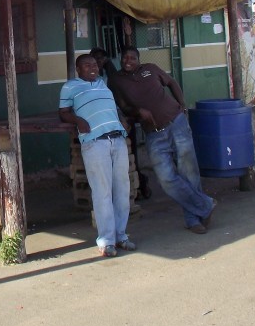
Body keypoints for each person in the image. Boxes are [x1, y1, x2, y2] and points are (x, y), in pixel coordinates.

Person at [109, 47, 216, 234]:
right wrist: (137, 112)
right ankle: (205, 205)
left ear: (138, 60)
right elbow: (123, 106)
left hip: (177, 123)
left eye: (132, 58)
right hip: (154, 133)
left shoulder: (151, 68)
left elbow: (172, 83)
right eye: (125, 57)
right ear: (120, 58)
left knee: (189, 172)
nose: (128, 61)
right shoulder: (116, 80)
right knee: (166, 178)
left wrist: (182, 103)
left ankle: (193, 219)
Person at [59, 54, 135, 257]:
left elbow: (113, 106)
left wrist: (121, 119)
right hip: (95, 142)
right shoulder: (70, 86)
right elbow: (63, 112)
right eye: (86, 65)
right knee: (102, 192)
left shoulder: (102, 84)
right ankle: (106, 240)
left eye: (94, 64)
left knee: (122, 190)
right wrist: (78, 121)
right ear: (78, 69)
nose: (92, 67)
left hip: (117, 139)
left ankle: (121, 235)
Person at [90, 46, 152, 200]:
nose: (98, 61)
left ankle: (139, 185)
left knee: (130, 159)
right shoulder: (91, 78)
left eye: (101, 58)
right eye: (95, 58)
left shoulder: (113, 77)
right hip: (101, 124)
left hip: (119, 121)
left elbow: (116, 101)